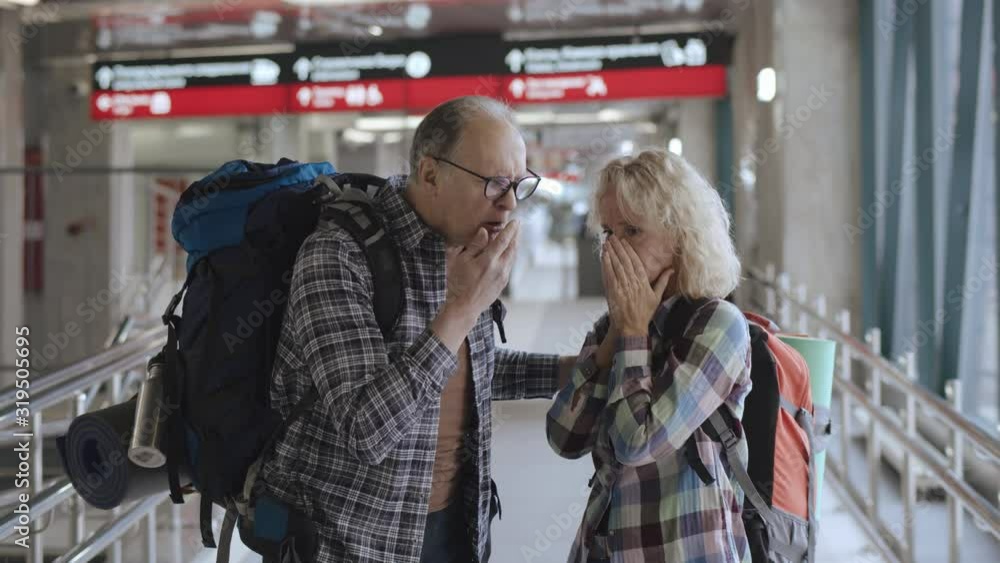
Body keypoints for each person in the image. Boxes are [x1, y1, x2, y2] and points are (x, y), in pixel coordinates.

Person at [257, 96, 574, 563]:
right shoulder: (337, 255)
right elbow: (367, 430)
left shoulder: (462, 246)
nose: (509, 204)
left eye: (518, 184)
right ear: (430, 174)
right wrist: (463, 307)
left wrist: (572, 371)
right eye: (494, 184)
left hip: (456, 528)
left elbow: (464, 373)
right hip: (349, 541)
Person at [546, 148, 752, 563]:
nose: (614, 250)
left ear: (680, 234)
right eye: (608, 233)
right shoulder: (612, 327)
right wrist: (614, 342)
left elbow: (637, 443)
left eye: (633, 232)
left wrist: (634, 335)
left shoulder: (718, 325)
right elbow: (564, 438)